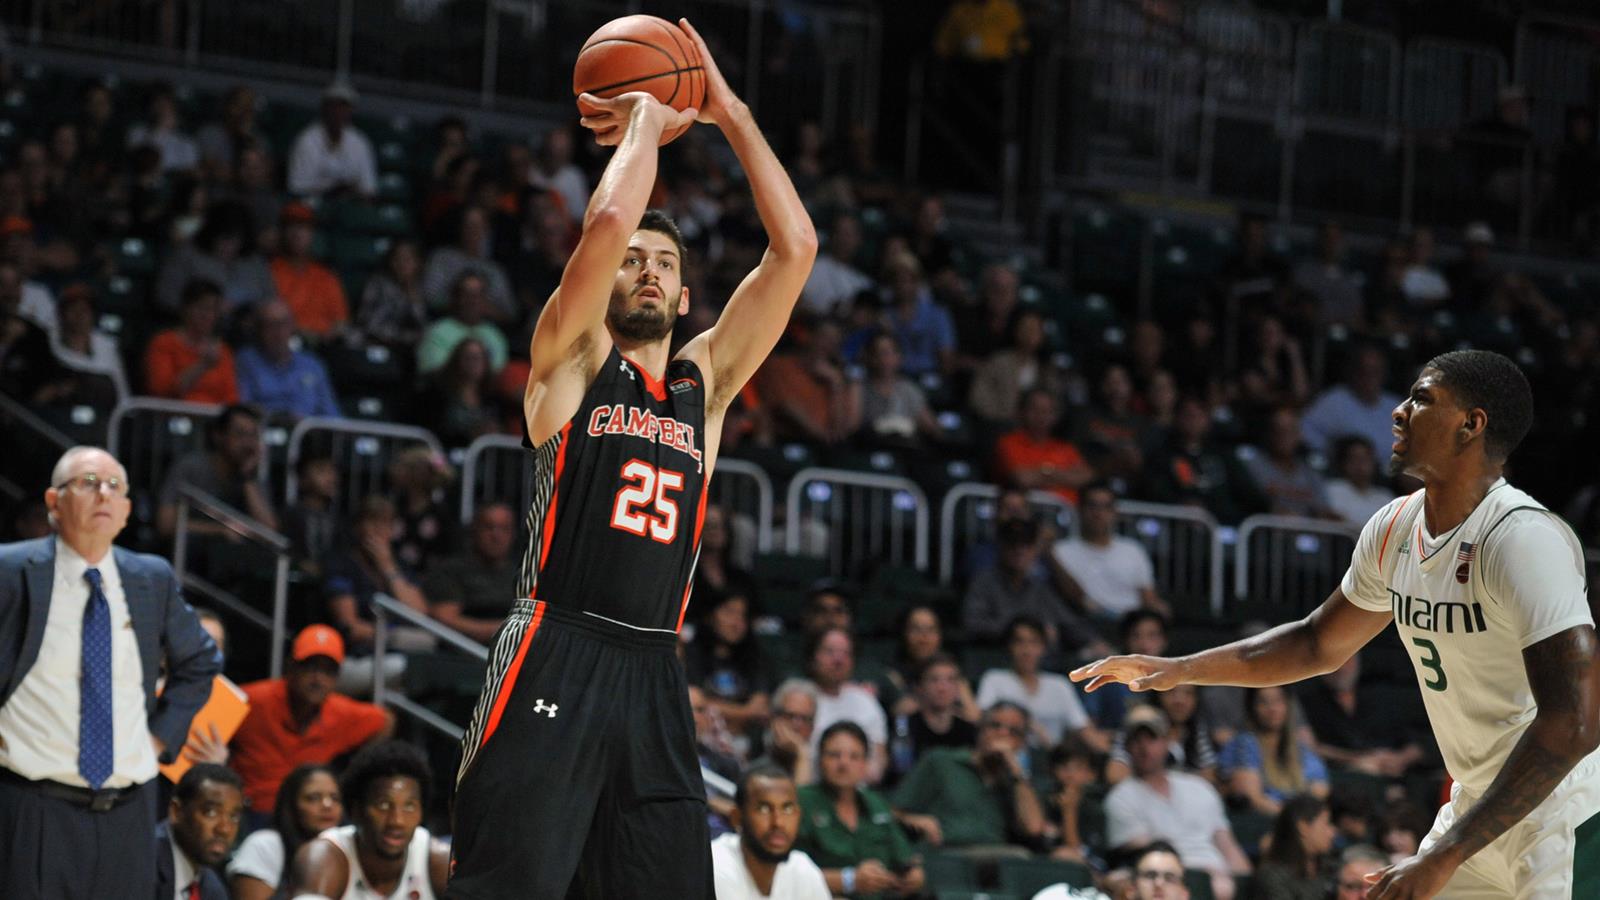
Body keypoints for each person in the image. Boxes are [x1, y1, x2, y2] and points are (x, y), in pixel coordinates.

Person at [448, 20, 818, 898]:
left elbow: (796, 248)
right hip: (555, 644)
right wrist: (649, 114)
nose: (647, 271)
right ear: (605, 276)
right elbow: (612, 218)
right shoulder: (572, 359)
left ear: (687, 297)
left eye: (666, 264)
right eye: (633, 263)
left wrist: (729, 112)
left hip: (655, 669)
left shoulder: (704, 389)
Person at [1075, 349, 1600, 899]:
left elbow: (1574, 723)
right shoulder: (1394, 527)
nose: (1398, 411)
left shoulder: (1523, 539)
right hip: (1479, 809)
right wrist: (1180, 669)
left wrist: (1445, 852)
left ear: (1471, 424)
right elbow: (1314, 644)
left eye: (1421, 399)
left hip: (1564, 813)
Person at [0, 446, 220, 899]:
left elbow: (200, 660)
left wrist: (160, 737)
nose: (103, 494)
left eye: (114, 486)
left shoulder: (151, 578)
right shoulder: (11, 570)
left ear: (126, 511)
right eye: (87, 483)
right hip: (34, 806)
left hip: (129, 812)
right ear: (54, 501)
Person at [228, 625, 393, 815]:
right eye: (310, 667)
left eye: (328, 671)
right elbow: (208, 719)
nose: (318, 679)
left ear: (337, 677)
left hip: (311, 817)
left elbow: (385, 721)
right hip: (253, 812)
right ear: (291, 667)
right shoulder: (253, 701)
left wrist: (352, 775)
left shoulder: (340, 711)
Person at [1102, 706, 1251, 900]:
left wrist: (1246, 881)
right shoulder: (1121, 797)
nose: (1144, 747)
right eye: (1136, 740)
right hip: (1174, 882)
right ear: (1127, 746)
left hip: (1221, 880)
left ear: (1167, 741)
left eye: (1152, 738)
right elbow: (1152, 858)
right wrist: (1202, 877)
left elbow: (1227, 845)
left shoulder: (1200, 787)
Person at [288, 741, 450, 898]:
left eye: (409, 806)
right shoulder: (324, 856)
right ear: (356, 810)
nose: (397, 821)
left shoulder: (437, 859)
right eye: (383, 805)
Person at [892, 701, 1047, 855]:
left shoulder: (1017, 782)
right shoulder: (941, 761)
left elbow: (1034, 828)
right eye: (995, 726)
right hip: (945, 851)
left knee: (1021, 857)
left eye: (1014, 732)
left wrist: (1016, 771)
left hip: (995, 856)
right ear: (981, 729)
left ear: (1021, 743)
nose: (1002, 734)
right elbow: (893, 812)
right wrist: (915, 820)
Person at [797, 722, 925, 899]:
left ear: (865, 764)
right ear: (820, 760)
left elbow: (906, 859)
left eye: (854, 757)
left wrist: (914, 876)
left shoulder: (876, 803)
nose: (844, 763)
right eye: (834, 755)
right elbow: (786, 873)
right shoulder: (802, 801)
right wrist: (849, 880)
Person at [977, 616, 1106, 751]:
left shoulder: (1059, 685)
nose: (1026, 650)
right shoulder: (994, 679)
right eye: (1019, 642)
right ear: (1010, 646)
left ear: (1043, 648)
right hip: (1006, 753)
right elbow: (981, 720)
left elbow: (1084, 729)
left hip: (1053, 759)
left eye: (1034, 642)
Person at [156, 403, 278, 542]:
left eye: (253, 435)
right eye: (240, 434)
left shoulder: (252, 477)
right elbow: (165, 524)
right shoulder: (190, 468)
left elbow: (270, 533)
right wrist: (219, 530)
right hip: (189, 550)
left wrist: (247, 478)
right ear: (218, 435)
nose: (247, 443)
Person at [712, 764, 832, 900]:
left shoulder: (802, 868)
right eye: (764, 809)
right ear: (737, 818)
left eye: (787, 809)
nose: (778, 822)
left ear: (798, 815)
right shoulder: (715, 865)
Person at [1051, 482, 1167, 622]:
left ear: (1115, 512)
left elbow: (1148, 595)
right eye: (1092, 506)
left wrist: (1157, 610)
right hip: (1087, 622)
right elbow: (1071, 596)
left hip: (1131, 624)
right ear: (1080, 509)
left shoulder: (1132, 549)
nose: (1098, 513)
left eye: (1106, 507)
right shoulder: (1061, 551)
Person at [227, 763, 343, 900]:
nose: (327, 805)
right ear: (291, 805)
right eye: (313, 798)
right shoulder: (265, 844)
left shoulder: (348, 849)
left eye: (335, 798)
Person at [424, 502, 519, 644]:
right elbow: (445, 618)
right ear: (475, 530)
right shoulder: (452, 570)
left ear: (513, 534)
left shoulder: (523, 574)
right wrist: (503, 630)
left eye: (504, 528)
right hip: (463, 651)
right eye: (489, 527)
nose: (496, 535)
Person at [685, 589, 773, 739]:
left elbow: (760, 707)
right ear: (710, 615)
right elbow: (695, 702)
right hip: (702, 736)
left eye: (743, 615)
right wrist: (746, 712)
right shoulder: (691, 653)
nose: (736, 622)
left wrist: (718, 709)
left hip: (744, 739)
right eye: (729, 612)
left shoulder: (756, 655)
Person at [235, 298, 342, 419]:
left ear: (293, 326)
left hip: (308, 429)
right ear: (259, 329)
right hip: (265, 427)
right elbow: (243, 408)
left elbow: (332, 415)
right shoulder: (246, 361)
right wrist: (281, 418)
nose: (278, 331)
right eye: (271, 325)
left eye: (284, 323)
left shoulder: (312, 365)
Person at [806, 626, 889, 783]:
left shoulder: (865, 700)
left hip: (859, 790)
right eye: (830, 651)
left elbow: (878, 764)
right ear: (813, 657)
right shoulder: (798, 698)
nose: (839, 660)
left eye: (846, 653)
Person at [145, 277, 240, 404]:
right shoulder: (164, 343)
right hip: (175, 412)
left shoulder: (222, 350)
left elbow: (231, 397)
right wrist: (202, 365)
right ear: (185, 309)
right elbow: (161, 390)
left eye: (213, 310)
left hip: (213, 414)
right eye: (201, 308)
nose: (207, 315)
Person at [155, 763, 243, 900]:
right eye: (211, 812)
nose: (225, 829)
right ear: (176, 811)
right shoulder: (143, 863)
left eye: (234, 817)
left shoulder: (212, 888)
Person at [993, 387, 1093, 504]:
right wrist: (1064, 477)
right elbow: (1023, 479)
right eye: (1035, 409)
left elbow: (1086, 477)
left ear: (1055, 416)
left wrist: (1045, 472)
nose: (1041, 416)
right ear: (1021, 412)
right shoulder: (1008, 443)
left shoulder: (1065, 448)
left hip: (1067, 512)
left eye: (1047, 411)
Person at [270, 202, 349, 339]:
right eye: (291, 226)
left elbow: (341, 322)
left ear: (312, 234)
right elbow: (269, 319)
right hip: (285, 341)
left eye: (304, 227)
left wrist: (327, 336)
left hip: (324, 344)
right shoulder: (269, 272)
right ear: (282, 232)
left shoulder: (326, 277)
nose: (297, 233)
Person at [287, 82, 377, 201]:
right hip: (313, 203)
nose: (338, 112)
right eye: (334, 106)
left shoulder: (360, 142)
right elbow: (297, 187)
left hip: (349, 204)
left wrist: (349, 190)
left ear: (350, 110)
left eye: (343, 106)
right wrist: (332, 189)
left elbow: (369, 189)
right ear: (324, 108)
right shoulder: (307, 139)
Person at [1248, 793, 1337, 900]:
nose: (1333, 832)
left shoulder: (1329, 867)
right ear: (1303, 827)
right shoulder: (1273, 876)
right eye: (1326, 824)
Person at [1323, 436, 1395, 526]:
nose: (1360, 465)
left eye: (1365, 459)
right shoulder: (1332, 490)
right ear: (1344, 463)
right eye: (1354, 459)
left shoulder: (1385, 497)